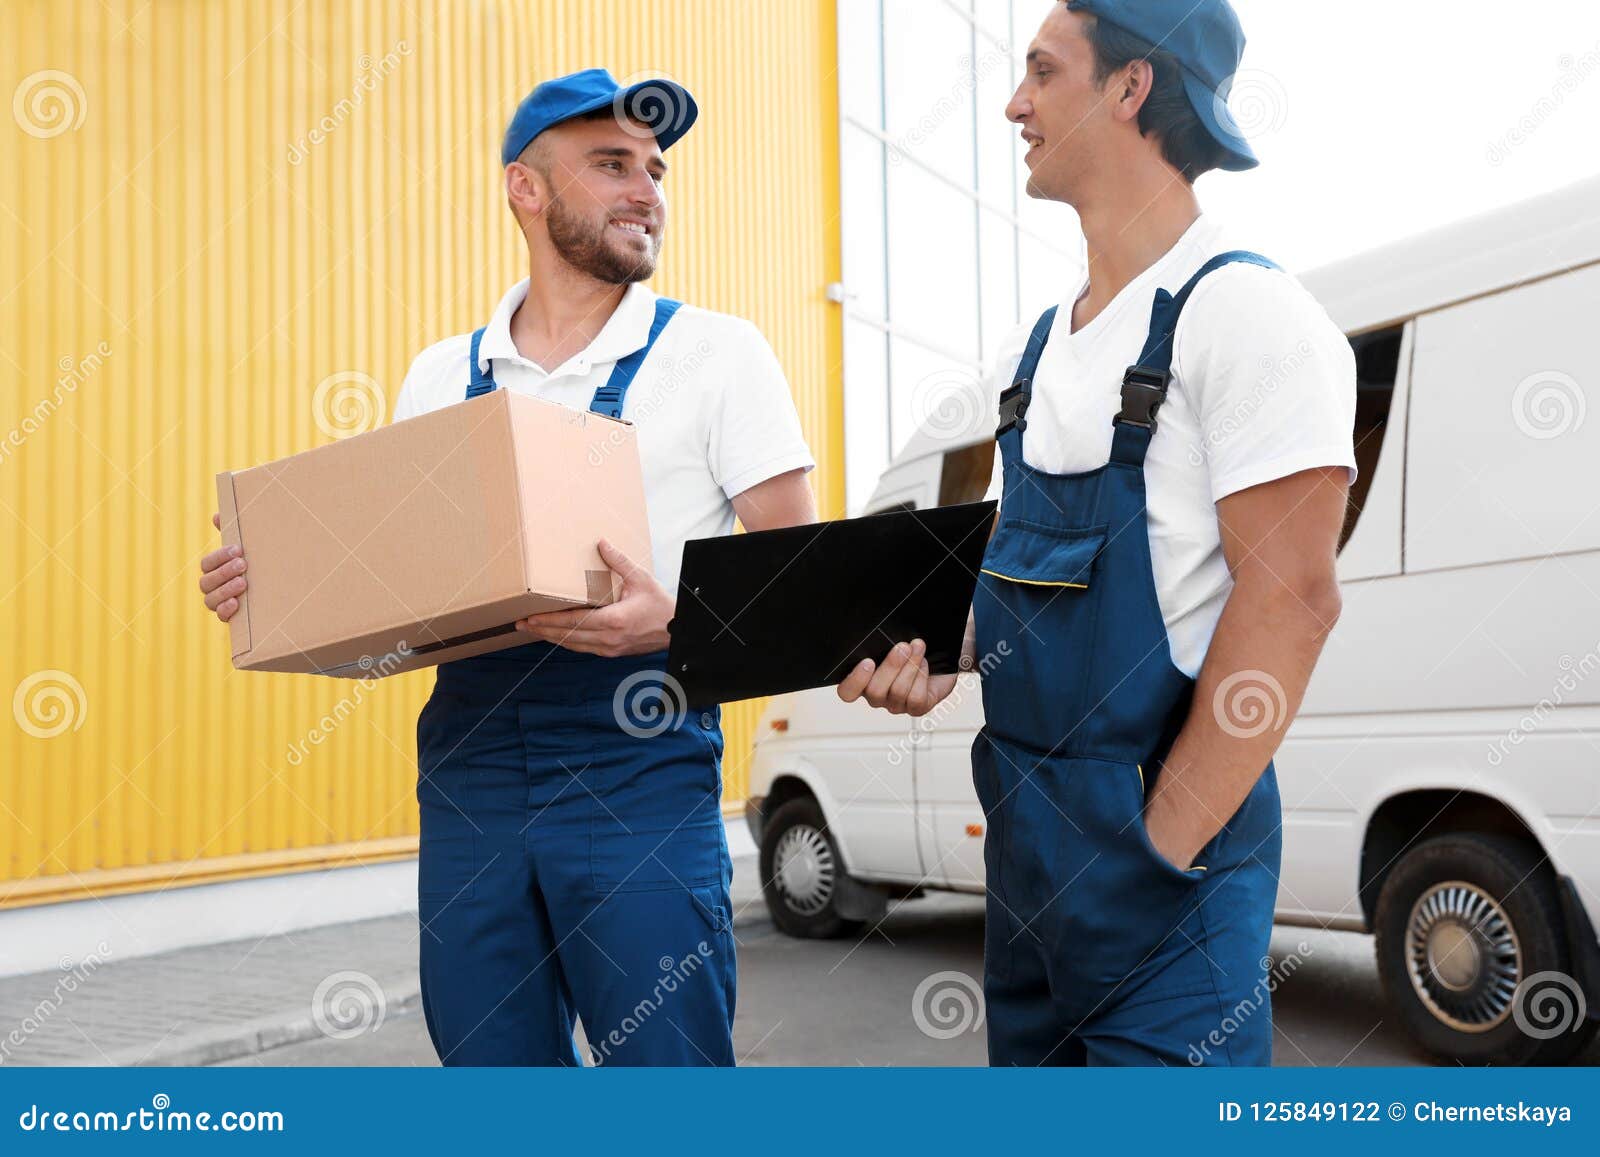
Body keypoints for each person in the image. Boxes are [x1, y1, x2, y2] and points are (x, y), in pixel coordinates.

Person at [199, 69, 817, 1066]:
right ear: (524, 189)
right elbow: (402, 597)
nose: (647, 192)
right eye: (611, 164)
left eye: (655, 170)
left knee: (668, 1078)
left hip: (637, 761)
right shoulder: (441, 377)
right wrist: (275, 588)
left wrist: (670, 621)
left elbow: (797, 592)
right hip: (470, 766)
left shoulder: (719, 355)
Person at [840, 0, 1356, 1066]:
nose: (1012, 102)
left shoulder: (1246, 316)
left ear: (1131, 89)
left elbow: (1292, 602)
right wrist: (942, 648)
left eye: (1041, 70)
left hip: (1159, 868)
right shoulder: (1044, 349)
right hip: (1027, 863)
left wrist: (1154, 851)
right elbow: (1038, 586)